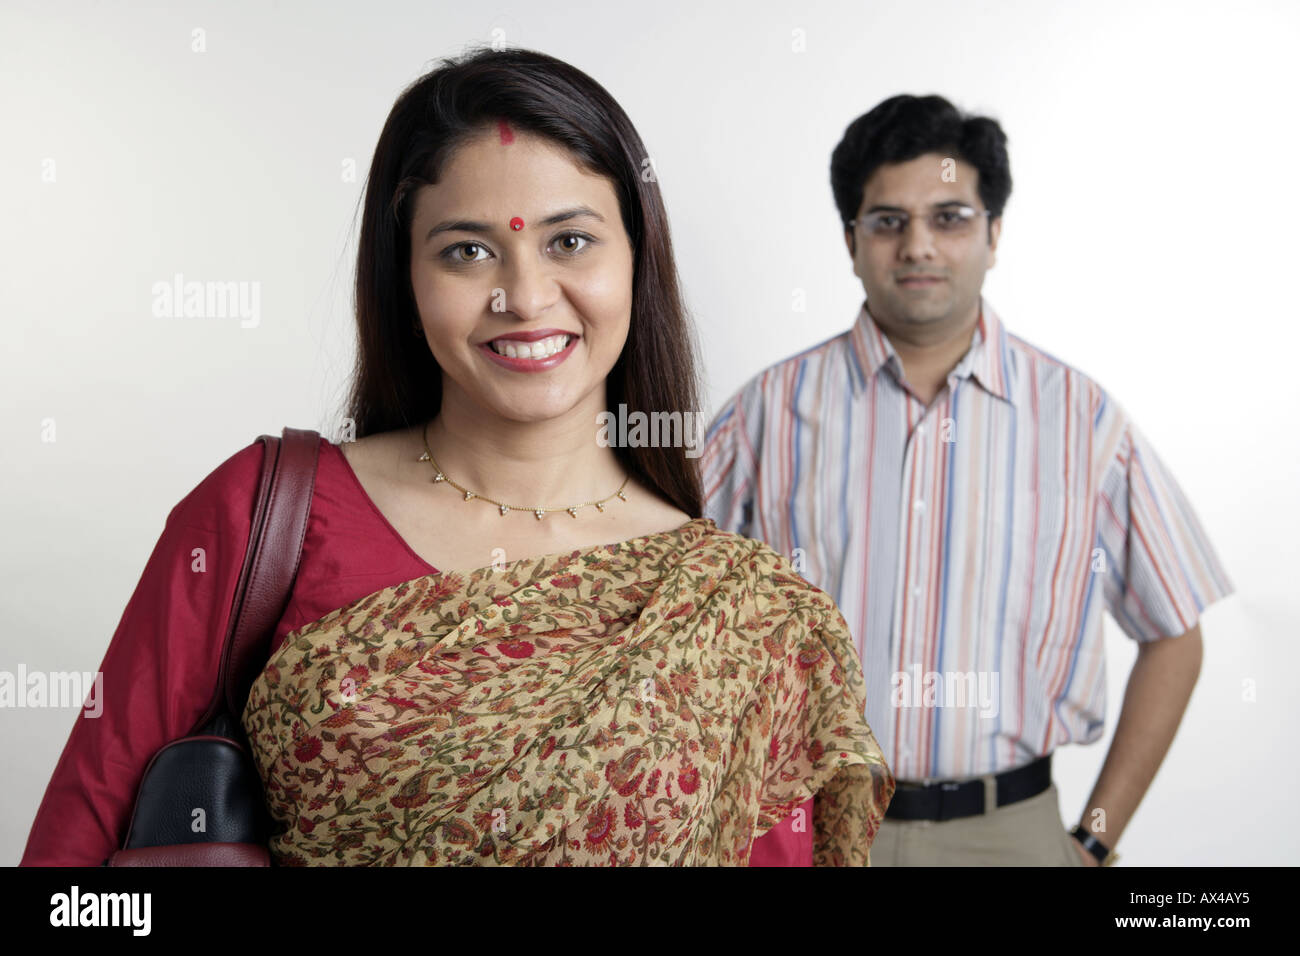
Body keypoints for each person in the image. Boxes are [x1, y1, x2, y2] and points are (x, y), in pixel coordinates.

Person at [21, 47, 894, 867]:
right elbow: (72, 860)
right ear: (404, 276)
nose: (523, 295)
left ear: (638, 261)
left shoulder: (742, 617)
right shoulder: (263, 516)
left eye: (570, 240)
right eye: (468, 250)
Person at [701, 94, 1232, 866]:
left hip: (1012, 834)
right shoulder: (767, 412)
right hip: (807, 833)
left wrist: (1095, 840)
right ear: (852, 242)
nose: (918, 245)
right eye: (888, 221)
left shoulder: (1080, 420)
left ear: (993, 233)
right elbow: (660, 612)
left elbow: (1175, 632)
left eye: (949, 217)